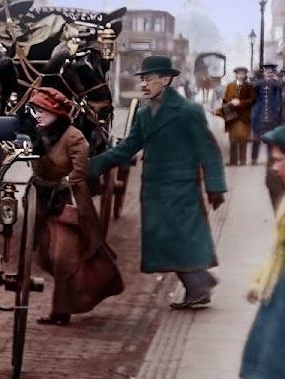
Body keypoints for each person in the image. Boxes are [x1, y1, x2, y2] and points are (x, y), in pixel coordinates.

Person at [89, 55, 226, 310]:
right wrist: (93, 167)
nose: (143, 85)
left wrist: (215, 187)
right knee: (165, 239)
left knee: (180, 238)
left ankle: (199, 285)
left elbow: (208, 150)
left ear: (166, 79)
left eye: (149, 79)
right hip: (154, 188)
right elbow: (127, 148)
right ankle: (199, 283)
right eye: (142, 79)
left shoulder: (188, 111)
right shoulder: (144, 114)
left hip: (181, 187)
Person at [28, 88, 123, 325]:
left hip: (68, 202)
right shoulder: (40, 135)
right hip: (45, 201)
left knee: (64, 258)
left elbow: (80, 170)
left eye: (42, 111)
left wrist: (63, 183)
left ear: (56, 113)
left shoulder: (73, 136)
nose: (37, 115)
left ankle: (61, 311)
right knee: (48, 256)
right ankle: (71, 297)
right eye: (35, 110)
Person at [237, 125, 285, 379]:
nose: (275, 167)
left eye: (281, 160)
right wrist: (261, 281)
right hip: (280, 290)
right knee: (277, 371)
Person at [217, 66, 256, 165]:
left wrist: (240, 102)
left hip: (244, 116)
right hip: (232, 117)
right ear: (236, 74)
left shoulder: (249, 86)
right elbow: (225, 99)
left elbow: (252, 100)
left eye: (243, 73)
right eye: (239, 73)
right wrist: (229, 104)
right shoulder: (230, 86)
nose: (241, 75)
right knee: (233, 140)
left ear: (245, 75)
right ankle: (233, 161)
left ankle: (243, 160)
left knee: (243, 139)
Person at [252, 64, 282, 165]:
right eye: (267, 72)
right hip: (259, 116)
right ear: (264, 73)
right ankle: (254, 158)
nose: (269, 74)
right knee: (256, 139)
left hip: (271, 115)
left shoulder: (276, 85)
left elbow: (278, 90)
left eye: (271, 73)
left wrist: (273, 80)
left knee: (270, 140)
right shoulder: (258, 84)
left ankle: (270, 159)